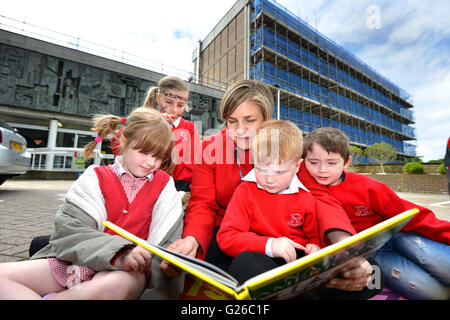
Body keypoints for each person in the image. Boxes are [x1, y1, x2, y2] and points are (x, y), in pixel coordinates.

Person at [161, 79, 374, 296]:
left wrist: (345, 246)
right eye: (231, 121)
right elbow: (202, 203)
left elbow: (318, 195)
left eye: (249, 120)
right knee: (240, 267)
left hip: (284, 235)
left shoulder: (282, 144)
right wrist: (192, 239)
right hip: (230, 235)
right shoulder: (210, 148)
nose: (240, 130)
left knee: (372, 274)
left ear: (266, 119)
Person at [0, 107, 184, 300]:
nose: (150, 162)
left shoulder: (164, 186)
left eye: (159, 156)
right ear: (124, 141)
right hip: (77, 262)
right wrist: (119, 253)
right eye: (144, 151)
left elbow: (166, 247)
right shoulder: (95, 176)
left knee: (114, 285)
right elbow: (69, 231)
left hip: (128, 273)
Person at [302, 127, 450, 300]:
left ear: (347, 162)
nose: (322, 170)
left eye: (331, 162)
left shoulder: (367, 186)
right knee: (433, 294)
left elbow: (408, 213)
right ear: (302, 161)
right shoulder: (303, 191)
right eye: (313, 162)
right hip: (372, 254)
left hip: (398, 236)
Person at [217, 120, 321, 284]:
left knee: (368, 270)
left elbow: (314, 237)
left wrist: (314, 247)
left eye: (279, 171)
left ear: (297, 166)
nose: (269, 179)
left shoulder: (306, 196)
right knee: (244, 264)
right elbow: (227, 238)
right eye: (261, 169)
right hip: (261, 258)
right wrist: (270, 245)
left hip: (297, 262)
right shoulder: (245, 191)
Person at [112, 75, 201, 192]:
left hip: (174, 187)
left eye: (180, 105)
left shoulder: (189, 128)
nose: (174, 109)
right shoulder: (146, 119)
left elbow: (192, 163)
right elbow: (117, 146)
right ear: (158, 98)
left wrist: (177, 188)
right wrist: (153, 122)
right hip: (137, 184)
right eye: (169, 102)